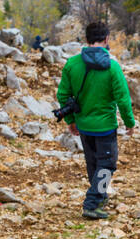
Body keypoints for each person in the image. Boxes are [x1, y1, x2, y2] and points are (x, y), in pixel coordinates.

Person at [56, 20, 135, 221]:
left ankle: (99, 197)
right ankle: (92, 203)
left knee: (93, 163)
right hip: (105, 126)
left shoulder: (72, 64)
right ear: (106, 39)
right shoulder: (112, 67)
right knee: (107, 165)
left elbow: (63, 94)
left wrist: (71, 120)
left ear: (86, 40)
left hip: (83, 125)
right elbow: (123, 98)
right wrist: (129, 122)